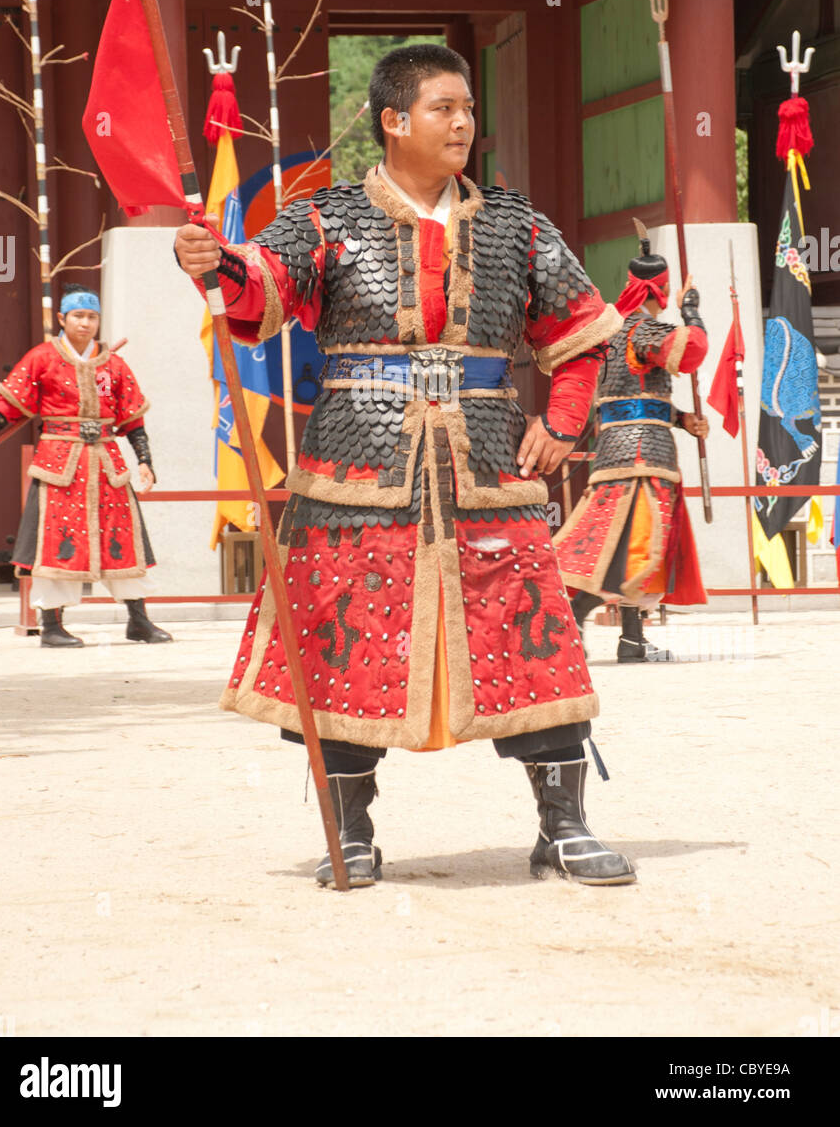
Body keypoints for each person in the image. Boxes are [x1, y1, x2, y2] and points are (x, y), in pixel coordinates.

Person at [175, 43, 635, 888]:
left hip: (487, 466)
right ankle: (348, 832)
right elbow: (264, 287)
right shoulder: (327, 219)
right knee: (345, 650)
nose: (462, 123)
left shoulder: (517, 226)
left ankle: (563, 828)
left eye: (467, 109)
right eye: (443, 108)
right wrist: (220, 263)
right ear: (393, 120)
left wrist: (565, 425)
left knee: (531, 639)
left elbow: (586, 337)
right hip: (357, 468)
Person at [0, 285, 172, 648]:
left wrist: (145, 462)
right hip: (59, 464)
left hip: (108, 465)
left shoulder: (114, 364)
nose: (86, 323)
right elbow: (7, 405)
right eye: (78, 316)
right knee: (56, 543)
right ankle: (51, 625)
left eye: (92, 317)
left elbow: (133, 420)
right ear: (62, 319)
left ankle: (138, 620)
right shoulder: (42, 358)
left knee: (123, 539)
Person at [553, 233, 709, 662]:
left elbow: (631, 396)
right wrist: (692, 310)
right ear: (660, 291)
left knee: (621, 540)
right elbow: (691, 351)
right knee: (634, 546)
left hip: (618, 451)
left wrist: (680, 419)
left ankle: (632, 640)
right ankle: (577, 610)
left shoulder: (609, 333)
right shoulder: (643, 328)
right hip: (643, 456)